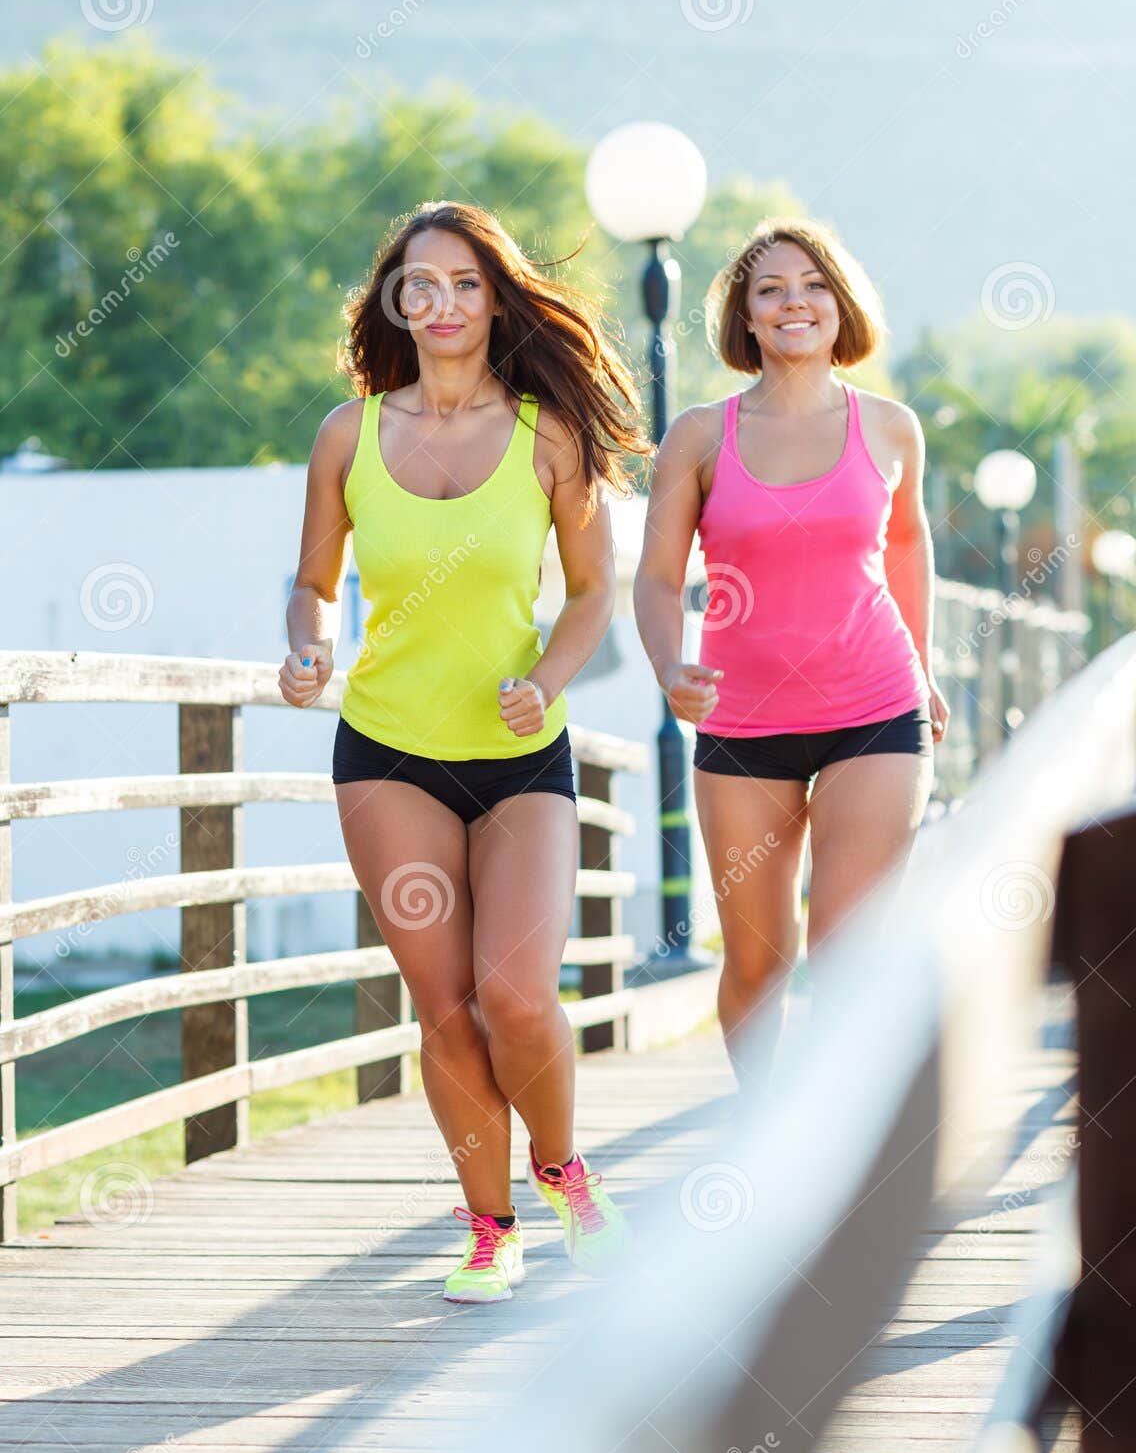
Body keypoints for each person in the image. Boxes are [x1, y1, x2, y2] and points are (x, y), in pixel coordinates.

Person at [278, 202, 647, 1303]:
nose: (439, 302)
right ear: (394, 301)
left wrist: (545, 682)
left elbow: (591, 594)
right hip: (386, 750)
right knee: (444, 1006)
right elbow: (313, 583)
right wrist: (305, 647)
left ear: (497, 298)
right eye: (417, 284)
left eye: (463, 283)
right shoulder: (348, 436)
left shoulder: (548, 436)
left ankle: (563, 1167)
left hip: (516, 753)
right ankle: (490, 1227)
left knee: (518, 994)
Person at [634, 217, 949, 1086]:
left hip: (875, 710)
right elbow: (659, 579)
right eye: (769, 289)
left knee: (845, 954)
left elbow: (907, 548)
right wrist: (670, 668)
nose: (793, 302)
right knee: (756, 965)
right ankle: (763, 1124)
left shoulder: (891, 428)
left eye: (811, 283)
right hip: (743, 722)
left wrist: (925, 670)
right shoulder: (700, 436)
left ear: (840, 302)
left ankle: (827, 1156)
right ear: (746, 316)